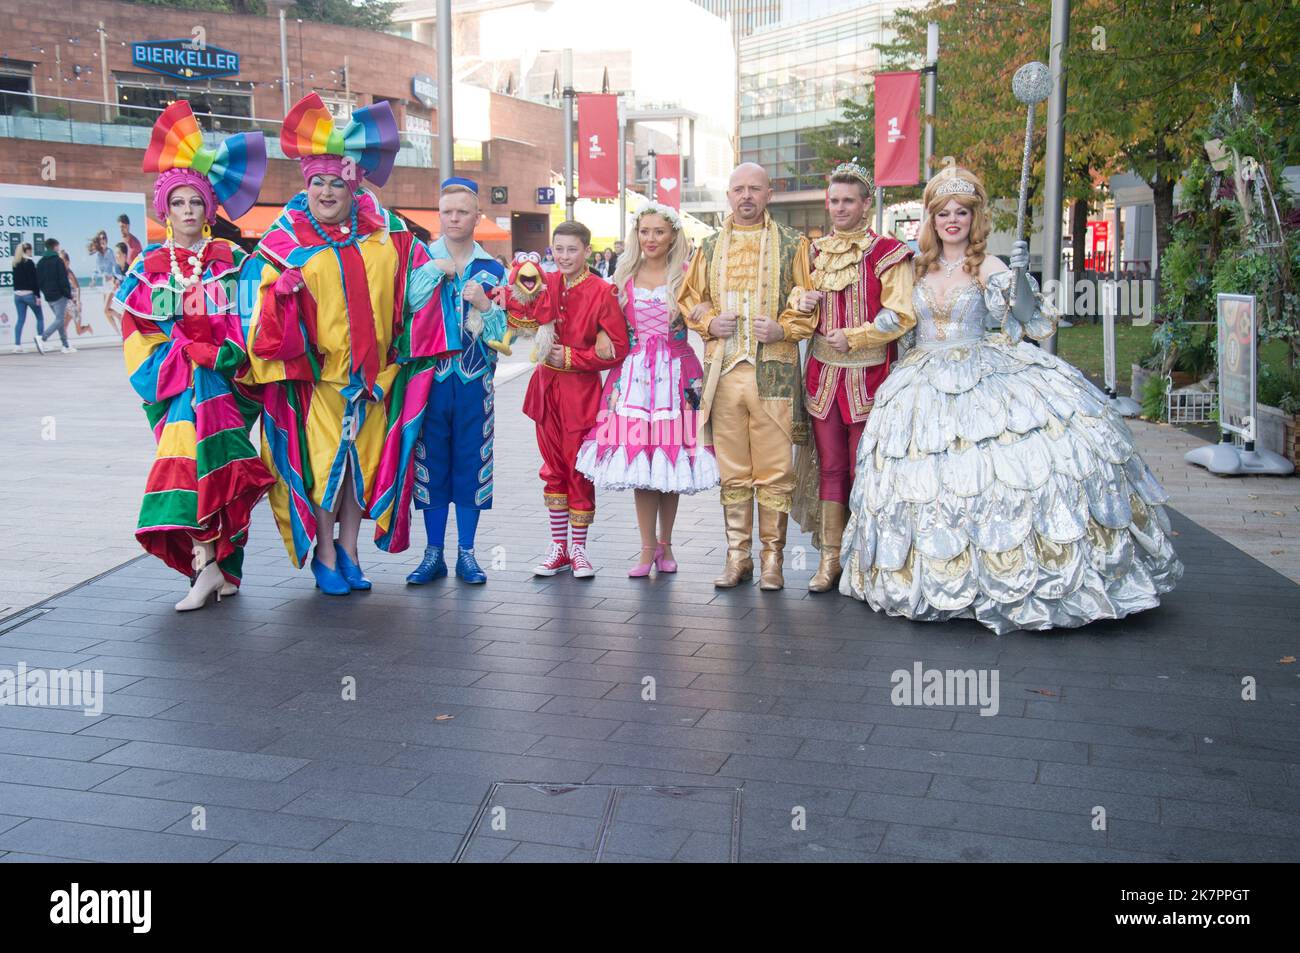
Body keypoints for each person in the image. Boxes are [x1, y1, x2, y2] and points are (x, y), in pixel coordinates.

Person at [840, 168, 1183, 633]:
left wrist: (1019, 276)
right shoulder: (914, 266)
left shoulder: (989, 266)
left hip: (984, 372)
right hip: (920, 383)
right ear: (932, 219)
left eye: (962, 212)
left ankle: (1013, 576)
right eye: (944, 213)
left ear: (974, 217)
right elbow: (897, 320)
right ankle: (937, 575)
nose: (953, 221)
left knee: (1015, 470)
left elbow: (1028, 319)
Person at [239, 93, 461, 595]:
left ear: (351, 185)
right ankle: (323, 553)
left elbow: (414, 292)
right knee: (324, 470)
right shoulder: (283, 240)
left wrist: (452, 279)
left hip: (375, 381)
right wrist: (280, 294)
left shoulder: (387, 236)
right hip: (316, 382)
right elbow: (257, 313)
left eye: (335, 182)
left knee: (361, 469)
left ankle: (351, 551)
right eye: (316, 181)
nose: (324, 190)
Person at [112, 100, 275, 611]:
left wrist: (221, 355)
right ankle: (206, 563)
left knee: (221, 467)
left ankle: (223, 569)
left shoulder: (232, 261)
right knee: (193, 463)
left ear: (209, 210)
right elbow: (141, 332)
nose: (187, 210)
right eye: (178, 202)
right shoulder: (150, 266)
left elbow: (250, 320)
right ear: (165, 210)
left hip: (228, 384)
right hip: (180, 387)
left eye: (196, 202)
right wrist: (188, 359)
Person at [679, 162, 817, 590]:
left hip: (773, 370)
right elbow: (691, 300)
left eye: (754, 189)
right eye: (738, 189)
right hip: (724, 372)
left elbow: (810, 301)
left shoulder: (795, 244)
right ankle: (737, 556)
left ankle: (772, 559)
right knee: (733, 469)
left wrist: (784, 329)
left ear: (769, 194)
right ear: (728, 194)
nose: (746, 197)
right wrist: (707, 324)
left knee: (775, 469)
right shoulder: (709, 245)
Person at [792, 161, 916, 593]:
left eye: (849, 201)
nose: (840, 208)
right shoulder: (813, 252)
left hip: (871, 377)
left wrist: (860, 336)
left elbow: (901, 314)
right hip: (822, 378)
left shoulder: (888, 252)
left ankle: (867, 559)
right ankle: (830, 560)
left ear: (866, 205)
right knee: (830, 467)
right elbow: (794, 306)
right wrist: (801, 300)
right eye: (834, 200)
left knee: (867, 469)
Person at [576, 202, 719, 576]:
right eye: (644, 231)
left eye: (658, 231)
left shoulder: (687, 275)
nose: (651, 238)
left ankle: (666, 546)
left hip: (677, 374)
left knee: (670, 462)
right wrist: (605, 332)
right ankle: (645, 549)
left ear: (673, 235)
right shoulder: (624, 274)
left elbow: (706, 312)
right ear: (636, 235)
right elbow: (603, 319)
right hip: (634, 379)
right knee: (643, 465)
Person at [497, 219, 630, 578]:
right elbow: (520, 312)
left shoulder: (603, 291)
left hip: (581, 394)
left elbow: (618, 349)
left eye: (573, 249)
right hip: (545, 391)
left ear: (587, 251)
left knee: (578, 470)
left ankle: (579, 550)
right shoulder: (546, 282)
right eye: (559, 249)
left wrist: (571, 357)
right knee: (552, 468)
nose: (565, 256)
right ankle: (558, 547)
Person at [405, 177, 509, 586]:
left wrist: (485, 305)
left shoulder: (492, 267)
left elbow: (505, 336)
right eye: (447, 211)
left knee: (472, 463)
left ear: (476, 217)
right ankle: (433, 553)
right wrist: (433, 271)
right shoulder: (420, 259)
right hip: (429, 380)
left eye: (462, 211)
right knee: (430, 463)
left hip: (473, 379)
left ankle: (467, 552)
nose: (453, 218)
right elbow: (407, 306)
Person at [35, 238, 74, 353]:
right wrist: (68, 293)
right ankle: (42, 338)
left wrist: (45, 292)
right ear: (55, 247)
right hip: (59, 295)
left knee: (59, 320)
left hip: (48, 296)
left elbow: (39, 281)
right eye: (58, 246)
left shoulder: (40, 262)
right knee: (60, 319)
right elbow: (63, 279)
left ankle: (65, 345)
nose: (59, 248)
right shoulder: (58, 261)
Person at [10, 243, 45, 354]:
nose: (32, 252)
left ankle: (17, 345)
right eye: (31, 250)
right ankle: (41, 342)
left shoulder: (15, 263)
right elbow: (34, 281)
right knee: (40, 318)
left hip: (17, 295)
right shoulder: (30, 263)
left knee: (20, 320)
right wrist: (38, 296)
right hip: (29, 295)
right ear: (28, 250)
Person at [59, 250, 90, 336]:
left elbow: (77, 287)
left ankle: (87, 327)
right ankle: (66, 345)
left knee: (79, 332)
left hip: (75, 305)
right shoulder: (61, 273)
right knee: (64, 327)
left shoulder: (69, 273)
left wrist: (79, 302)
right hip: (67, 305)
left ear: (67, 262)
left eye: (62, 260)